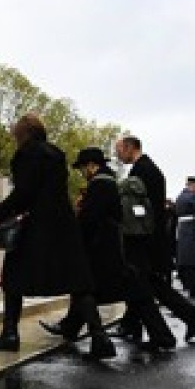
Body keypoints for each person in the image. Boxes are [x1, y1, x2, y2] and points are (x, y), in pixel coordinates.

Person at [0, 116, 115, 360]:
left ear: (24, 133)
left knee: (12, 278)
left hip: (37, 226)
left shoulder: (26, 155)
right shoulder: (56, 154)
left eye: (15, 133)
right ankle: (100, 338)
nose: (13, 137)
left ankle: (10, 334)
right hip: (64, 225)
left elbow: (24, 193)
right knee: (78, 281)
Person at [43, 147, 175, 352]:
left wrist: (77, 221)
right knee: (133, 293)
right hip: (112, 250)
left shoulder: (99, 184)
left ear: (91, 166)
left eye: (82, 168)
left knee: (87, 288)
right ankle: (73, 328)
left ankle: (98, 339)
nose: (82, 173)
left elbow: (90, 220)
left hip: (101, 252)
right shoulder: (110, 181)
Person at [112, 136, 195, 342]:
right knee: (150, 283)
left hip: (144, 238)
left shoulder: (141, 171)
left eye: (119, 150)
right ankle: (136, 324)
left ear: (130, 148)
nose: (117, 155)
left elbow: (138, 210)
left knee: (143, 283)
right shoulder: (151, 169)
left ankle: (180, 321)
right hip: (152, 236)